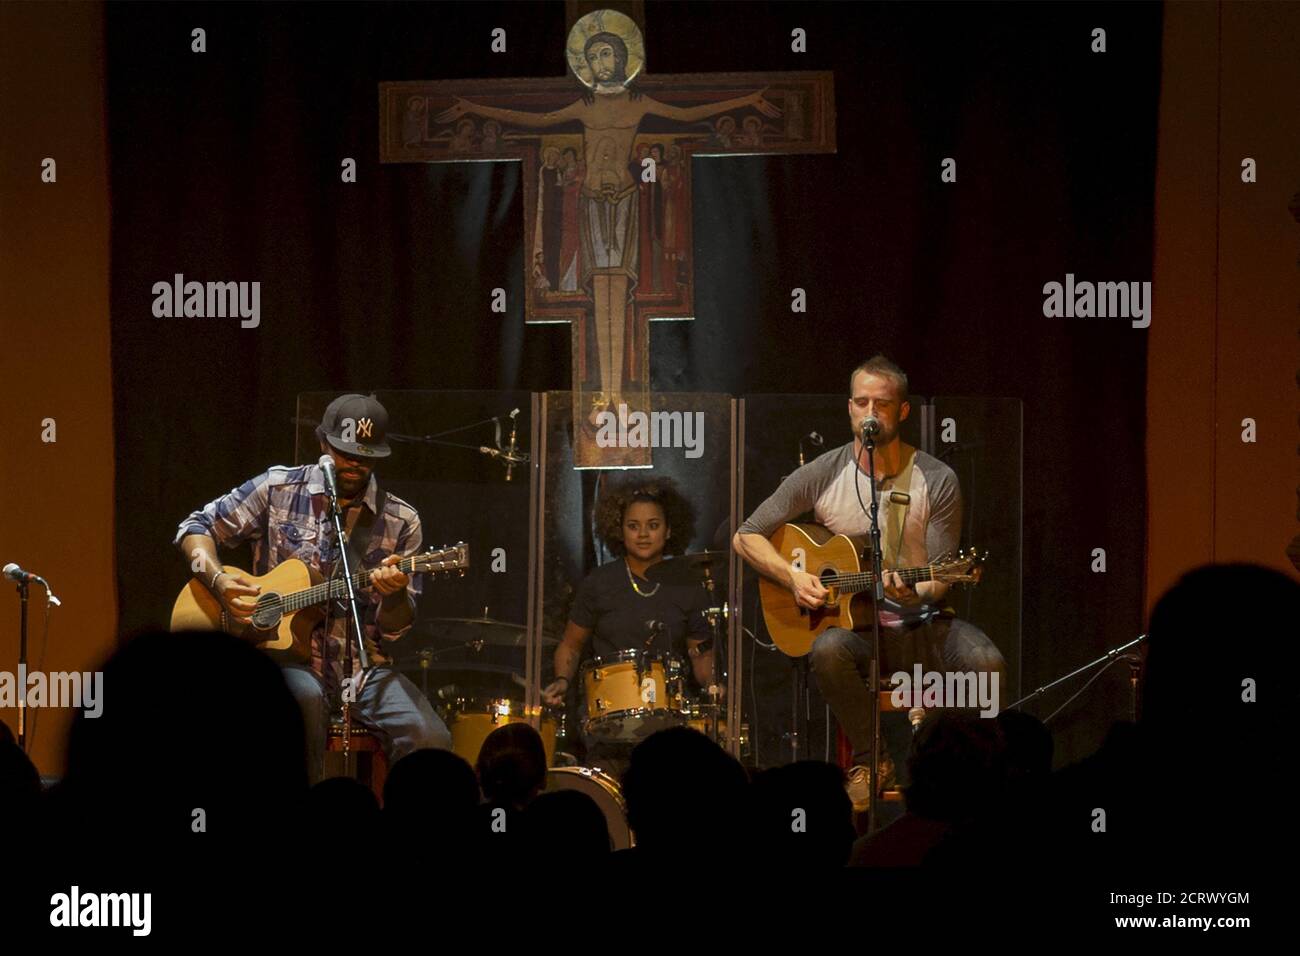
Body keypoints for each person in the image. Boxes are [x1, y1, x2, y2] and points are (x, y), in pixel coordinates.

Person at [733, 355, 1006, 812]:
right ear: (849, 409)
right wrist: (795, 576)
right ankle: (870, 761)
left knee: (988, 665)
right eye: (862, 403)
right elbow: (746, 535)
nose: (871, 413)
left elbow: (940, 576)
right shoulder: (823, 472)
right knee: (826, 649)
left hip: (923, 624)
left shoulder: (936, 479)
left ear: (902, 411)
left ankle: (966, 778)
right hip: (857, 633)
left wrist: (913, 592)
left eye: (882, 403)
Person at [175, 393, 450, 785]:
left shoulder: (401, 520)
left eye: (366, 455)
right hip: (284, 661)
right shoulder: (278, 487)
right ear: (323, 444)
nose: (355, 463)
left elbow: (395, 629)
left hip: (361, 670)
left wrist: (394, 593)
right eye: (345, 452)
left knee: (430, 738)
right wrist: (219, 581)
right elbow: (195, 527)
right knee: (302, 700)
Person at [541, 477, 715, 774]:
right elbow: (571, 644)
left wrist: (712, 684)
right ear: (620, 531)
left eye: (653, 525)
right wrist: (562, 680)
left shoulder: (689, 586)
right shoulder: (599, 583)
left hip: (667, 725)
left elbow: (699, 652)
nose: (643, 534)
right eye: (633, 526)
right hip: (607, 724)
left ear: (669, 529)